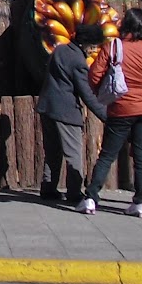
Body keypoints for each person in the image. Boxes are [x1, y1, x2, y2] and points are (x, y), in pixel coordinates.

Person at [81, 7, 142, 218]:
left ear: (126, 25)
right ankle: (141, 201)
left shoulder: (113, 47)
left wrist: (102, 93)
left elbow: (94, 75)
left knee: (107, 155)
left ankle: (91, 197)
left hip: (120, 109)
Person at [34, 22, 100, 204]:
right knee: (74, 154)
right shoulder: (78, 61)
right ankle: (74, 193)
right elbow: (86, 94)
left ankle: (48, 188)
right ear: (84, 43)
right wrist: (105, 115)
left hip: (47, 107)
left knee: (52, 152)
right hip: (66, 112)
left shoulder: (60, 50)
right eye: (92, 46)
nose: (93, 50)